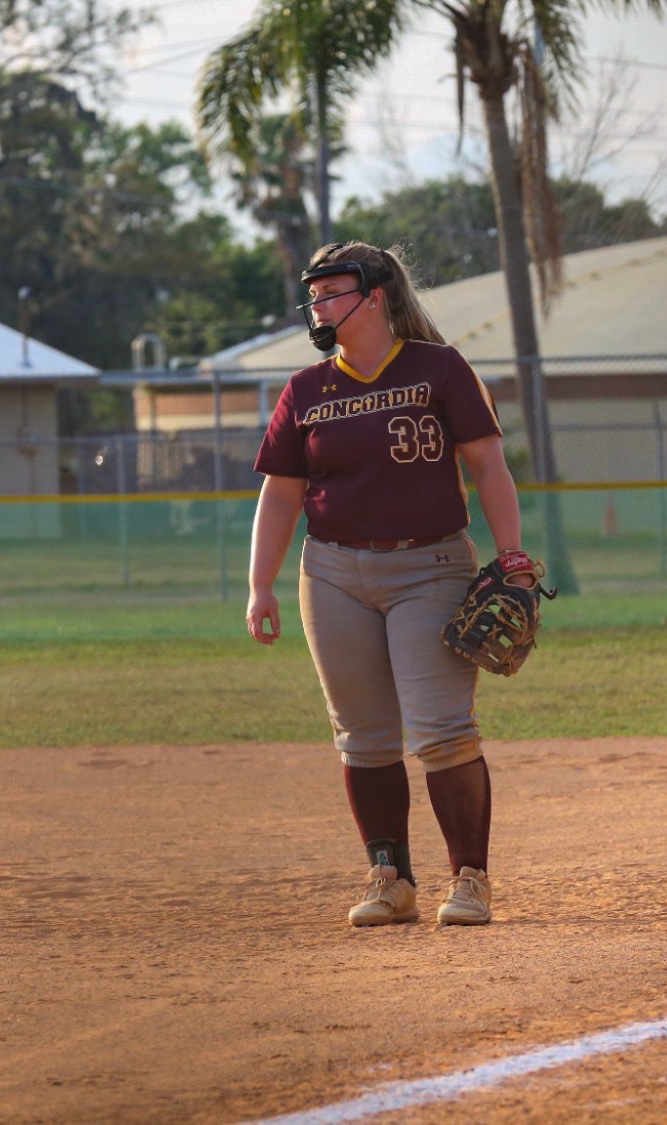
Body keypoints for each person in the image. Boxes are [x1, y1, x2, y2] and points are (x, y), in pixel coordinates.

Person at [246, 241, 539, 928]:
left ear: (375, 297)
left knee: (441, 729)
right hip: (332, 572)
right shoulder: (307, 390)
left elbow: (489, 467)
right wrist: (260, 585)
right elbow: (282, 496)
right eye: (313, 295)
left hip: (430, 565)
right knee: (364, 735)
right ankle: (391, 876)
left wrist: (512, 553)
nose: (318, 305)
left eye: (332, 292)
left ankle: (469, 878)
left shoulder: (439, 369)